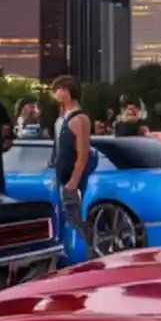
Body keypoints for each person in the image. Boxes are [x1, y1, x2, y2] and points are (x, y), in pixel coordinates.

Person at [49, 76, 97, 246]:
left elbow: (82, 153)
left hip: (72, 180)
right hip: (61, 176)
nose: (55, 94)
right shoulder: (61, 118)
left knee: (76, 220)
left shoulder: (79, 118)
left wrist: (73, 182)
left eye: (58, 90)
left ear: (67, 91)